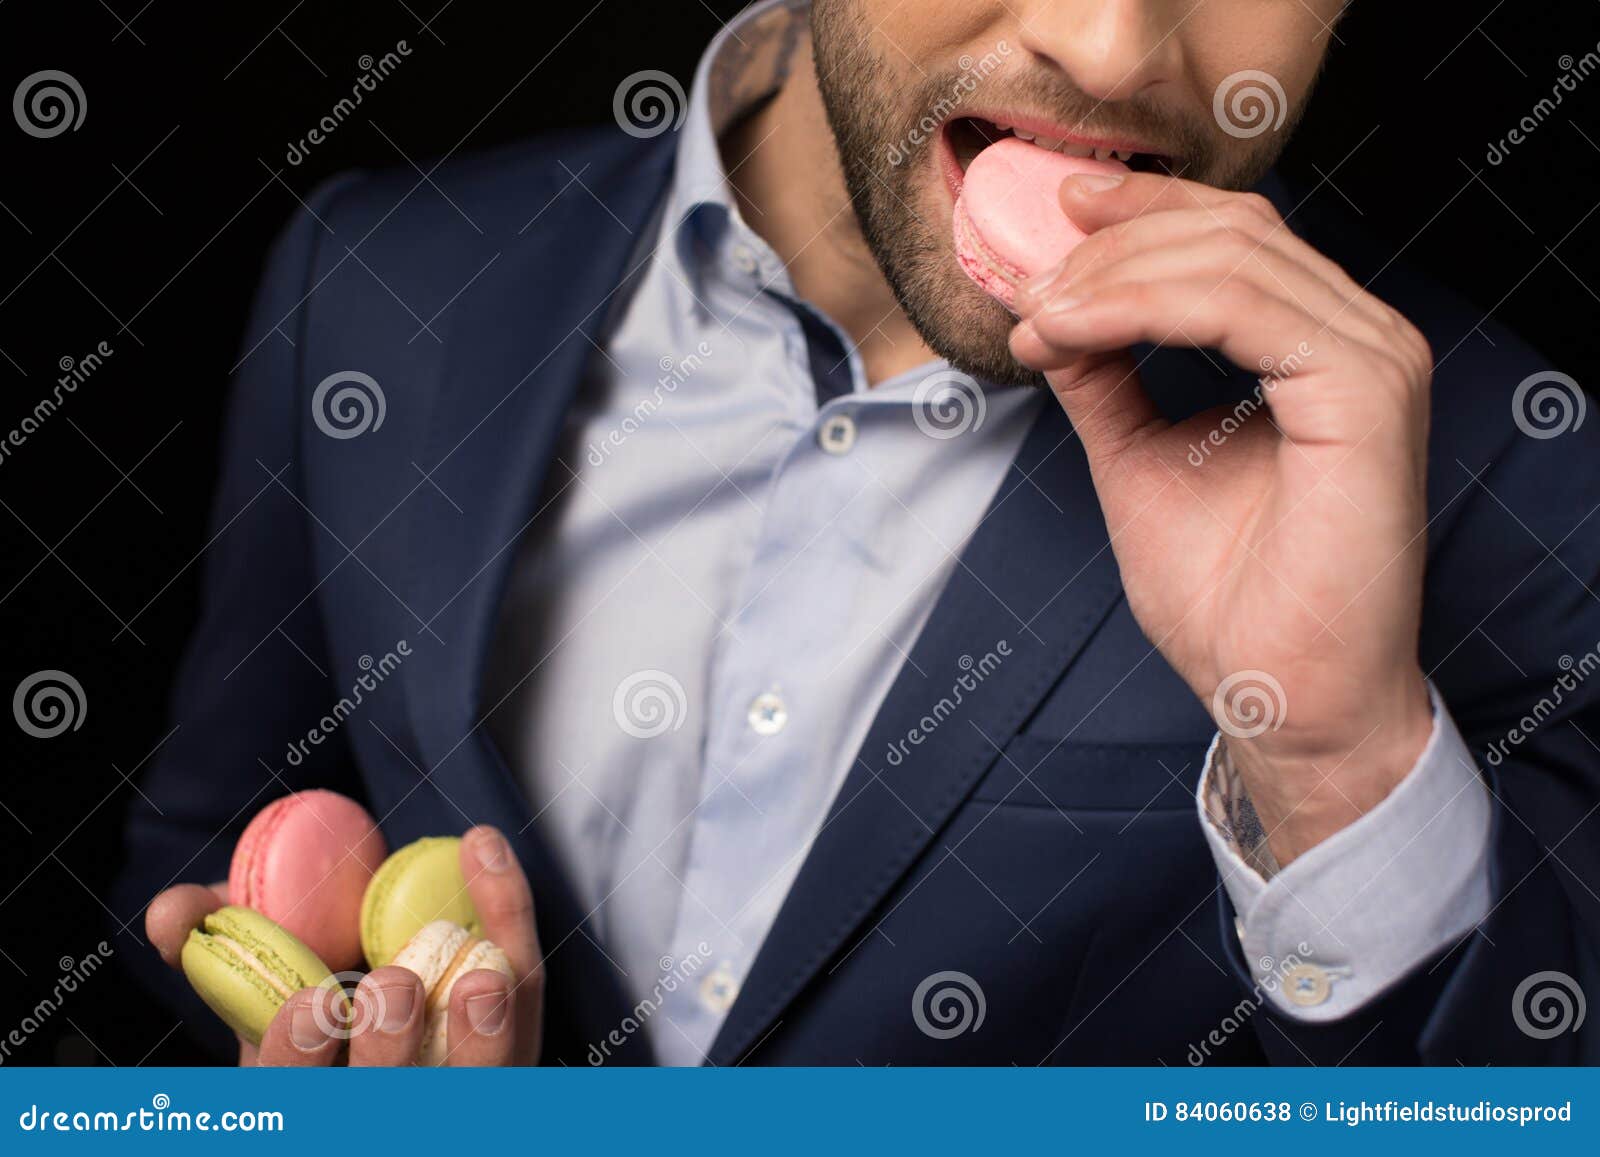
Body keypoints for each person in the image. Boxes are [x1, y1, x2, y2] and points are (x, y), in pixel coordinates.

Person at [117, 0, 1600, 1065]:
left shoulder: (1504, 464)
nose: (1111, 45)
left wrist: (1333, 765)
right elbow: (199, 863)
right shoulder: (377, 280)